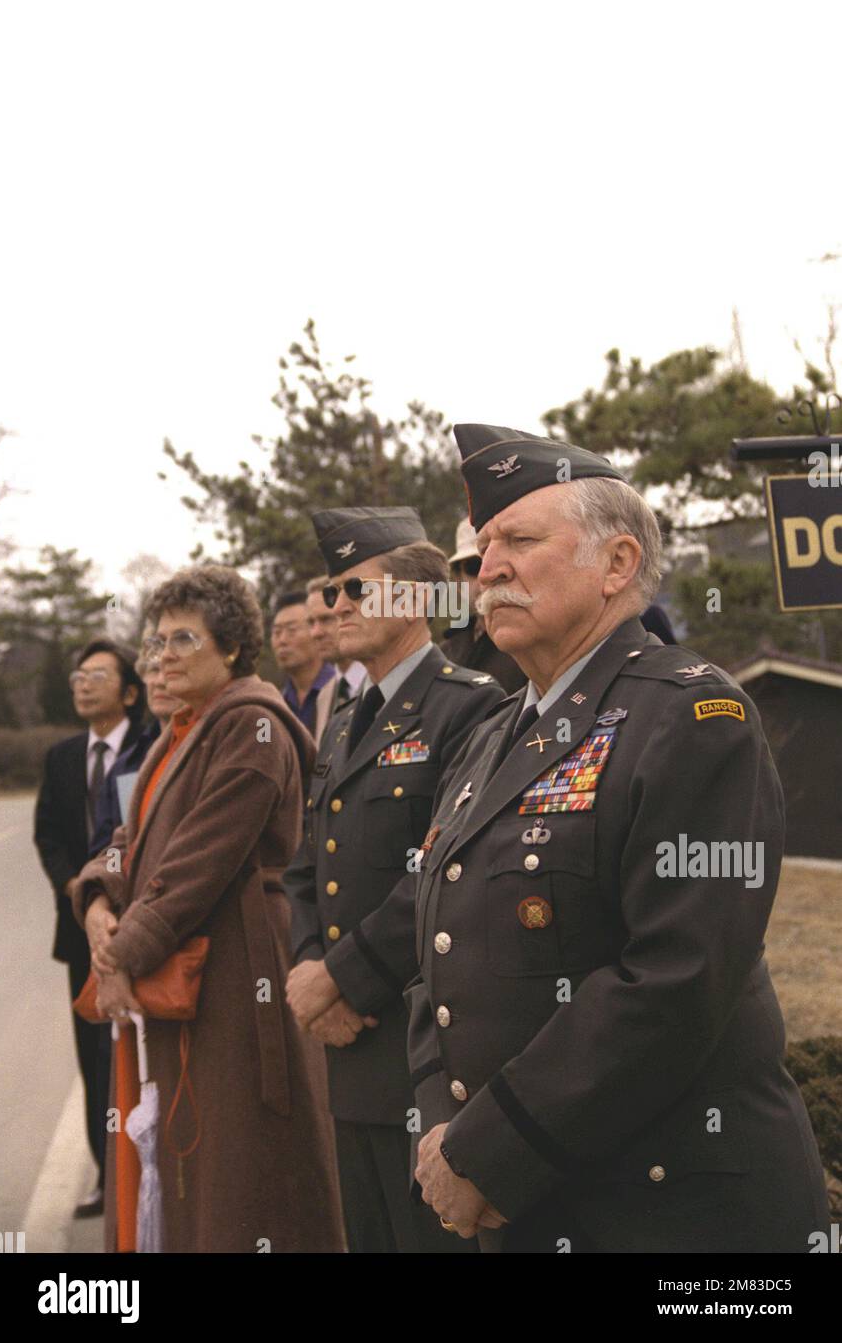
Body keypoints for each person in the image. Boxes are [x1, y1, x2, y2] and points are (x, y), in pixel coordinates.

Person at [408, 423, 830, 1254]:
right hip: (518, 1198)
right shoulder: (494, 736)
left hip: (667, 1216)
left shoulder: (693, 716)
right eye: (486, 545)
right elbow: (441, 948)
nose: (488, 568)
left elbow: (674, 979)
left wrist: (490, 1147)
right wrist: (444, 1127)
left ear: (618, 565)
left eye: (520, 541)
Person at [69, 566, 344, 1253]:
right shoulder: (181, 731)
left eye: (182, 639)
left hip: (238, 982)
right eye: (156, 641)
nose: (162, 655)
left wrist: (120, 953)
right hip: (191, 975)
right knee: (197, 1169)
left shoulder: (252, 727)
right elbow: (127, 844)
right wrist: (99, 900)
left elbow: (194, 866)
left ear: (230, 647)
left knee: (246, 1174)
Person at [283, 506, 504, 1253]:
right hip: (345, 1050)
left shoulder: (468, 704)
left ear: (414, 599)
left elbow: (445, 873)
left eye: (354, 588)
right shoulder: (345, 719)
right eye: (330, 590)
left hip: (418, 1051)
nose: (333, 605)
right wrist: (308, 969)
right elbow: (307, 865)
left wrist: (341, 979)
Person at [34, 637, 145, 1219]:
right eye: (77, 675)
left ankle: (145, 1172)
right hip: (80, 926)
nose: (81, 683)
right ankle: (109, 1177)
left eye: (96, 675)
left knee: (138, 1051)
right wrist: (77, 890)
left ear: (129, 690)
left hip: (142, 925)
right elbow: (47, 834)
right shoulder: (60, 755)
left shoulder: (152, 746)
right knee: (93, 1052)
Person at [89, 650, 183, 854]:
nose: (159, 681)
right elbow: (109, 851)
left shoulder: (219, 749)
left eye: (169, 670)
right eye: (153, 669)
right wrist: (107, 882)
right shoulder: (125, 766)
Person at [441, 517, 526, 694]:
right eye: (474, 566)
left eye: (497, 561)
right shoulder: (445, 651)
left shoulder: (533, 643)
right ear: (457, 580)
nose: (485, 574)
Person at [271, 591, 336, 739]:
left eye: (291, 630)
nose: (282, 640)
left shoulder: (344, 691)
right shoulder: (277, 702)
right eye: (276, 632)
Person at [305, 575, 367, 721]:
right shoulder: (323, 697)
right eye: (311, 622)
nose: (316, 633)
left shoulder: (384, 684)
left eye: (326, 619)